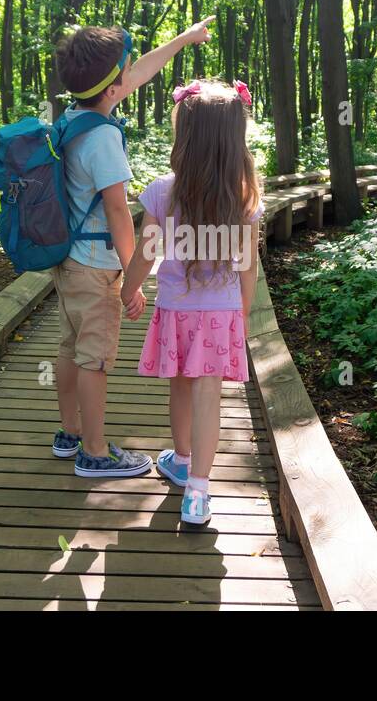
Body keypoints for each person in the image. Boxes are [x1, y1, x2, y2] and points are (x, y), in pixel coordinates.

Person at [49, 18, 214, 478]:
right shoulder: (104, 138)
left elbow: (138, 72)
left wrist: (184, 39)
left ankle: (69, 433)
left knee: (69, 347)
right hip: (97, 267)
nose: (131, 76)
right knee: (95, 359)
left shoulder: (75, 118)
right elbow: (120, 213)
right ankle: (96, 452)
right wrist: (131, 277)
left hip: (68, 260)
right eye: (124, 71)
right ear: (112, 86)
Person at [118, 78, 263, 523]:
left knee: (179, 382)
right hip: (220, 314)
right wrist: (242, 313)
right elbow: (248, 264)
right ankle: (198, 491)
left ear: (187, 138)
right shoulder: (244, 194)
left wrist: (127, 289)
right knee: (209, 395)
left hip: (176, 310)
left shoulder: (164, 190)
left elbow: (146, 252)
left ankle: (181, 460)